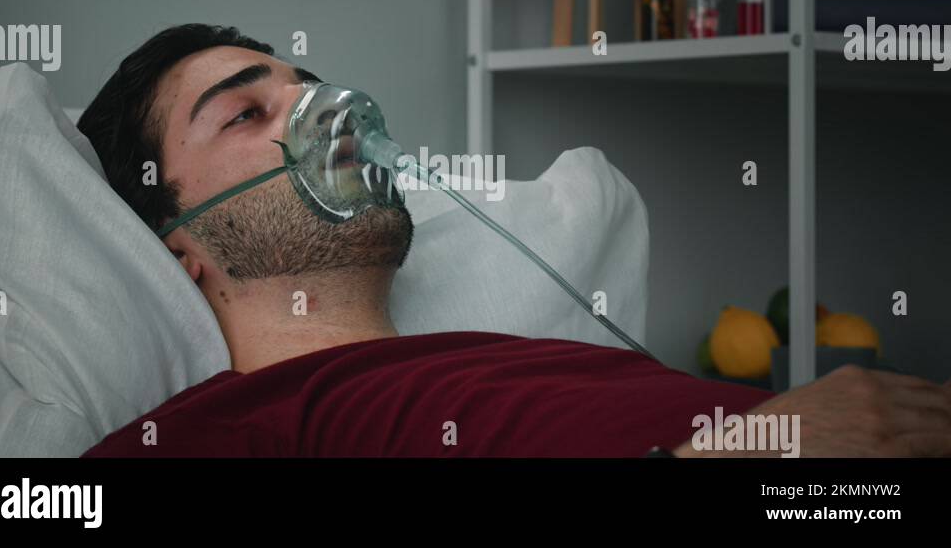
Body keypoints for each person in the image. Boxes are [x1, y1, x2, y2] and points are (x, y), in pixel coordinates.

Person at [77, 24, 951, 458]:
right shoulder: (237, 428)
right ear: (179, 248)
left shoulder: (510, 359)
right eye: (246, 112)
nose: (323, 117)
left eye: (312, 88)